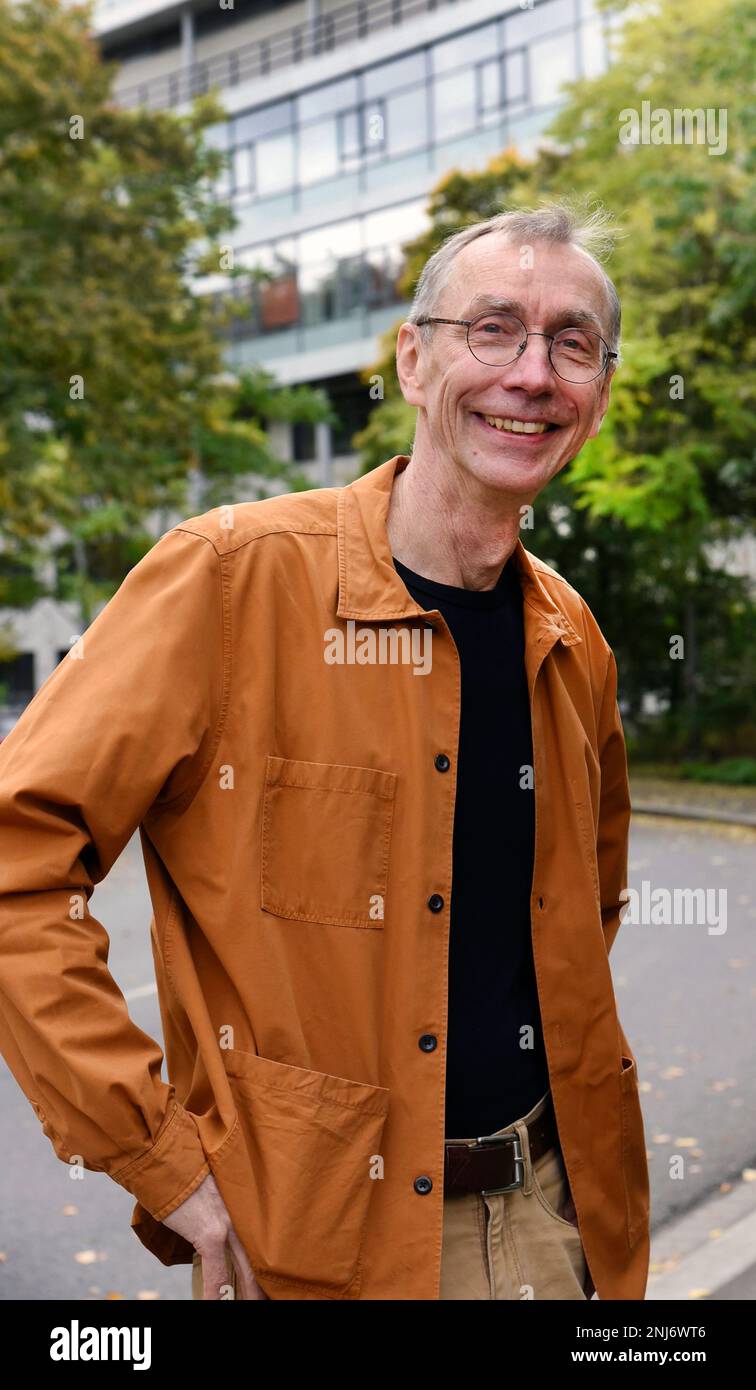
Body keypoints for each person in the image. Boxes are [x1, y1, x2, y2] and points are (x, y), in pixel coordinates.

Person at [0, 204, 650, 1301]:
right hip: (314, 1255)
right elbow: (19, 870)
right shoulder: (227, 580)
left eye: (571, 342)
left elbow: (586, 907)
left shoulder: (569, 637)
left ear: (599, 388)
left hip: (557, 1222)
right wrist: (168, 1167)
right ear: (412, 357)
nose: (532, 373)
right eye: (492, 329)